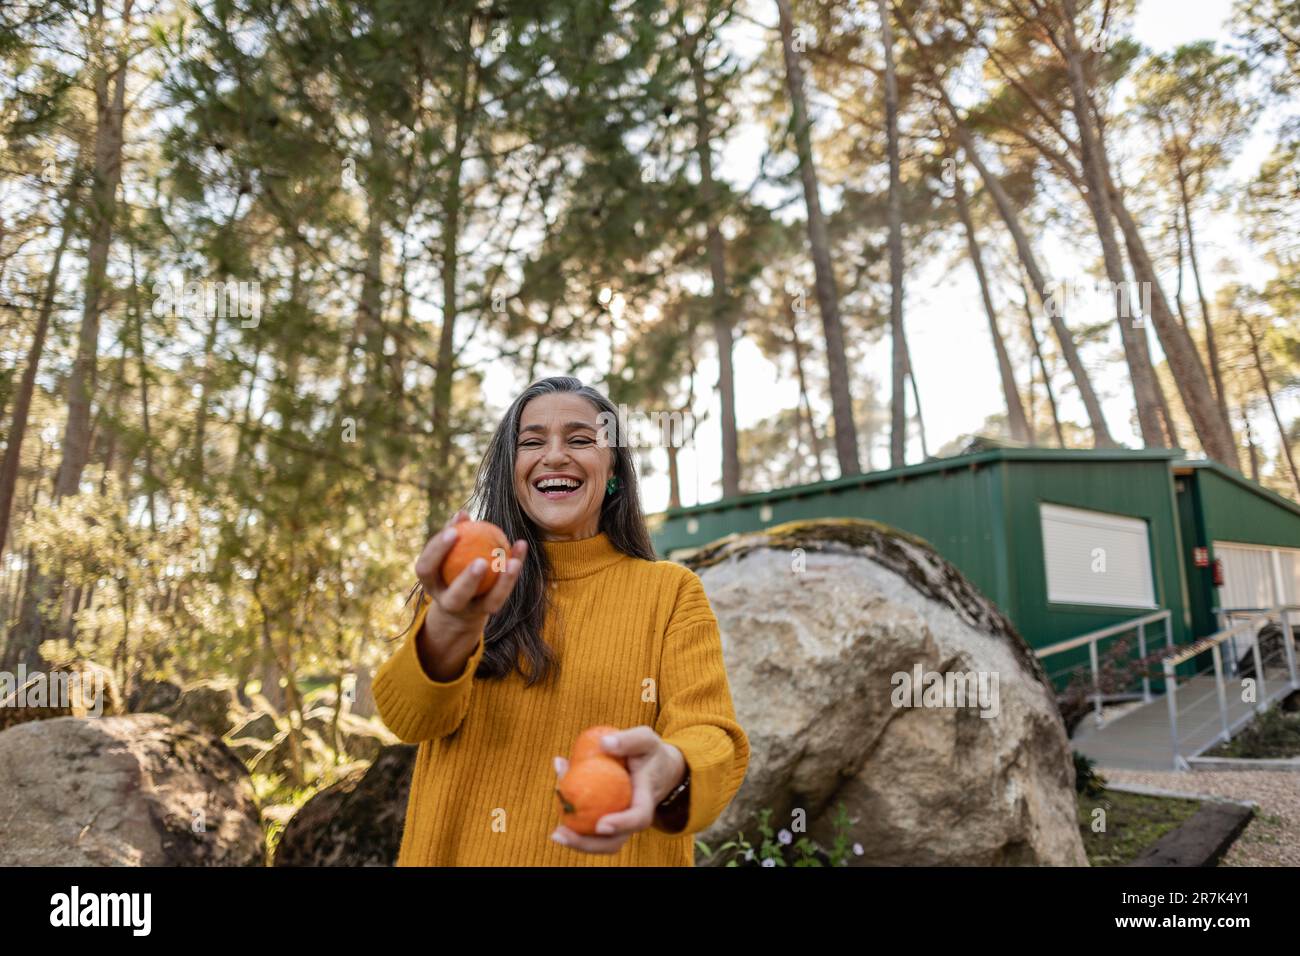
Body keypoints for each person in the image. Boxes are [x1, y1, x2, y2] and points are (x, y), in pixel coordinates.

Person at [374, 376, 750, 865]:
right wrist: (452, 624)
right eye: (532, 442)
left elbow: (710, 734)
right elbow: (410, 718)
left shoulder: (671, 592)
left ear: (613, 470)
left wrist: (670, 769)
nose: (554, 456)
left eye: (579, 440)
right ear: (512, 472)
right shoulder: (476, 582)